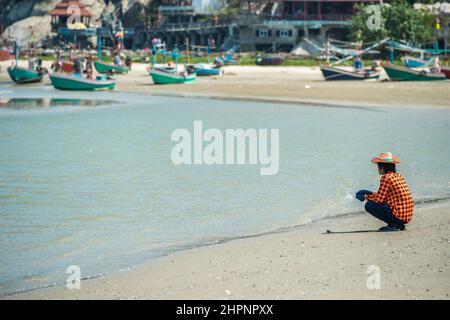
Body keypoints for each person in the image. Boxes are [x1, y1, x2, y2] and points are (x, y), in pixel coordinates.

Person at [356, 152, 414, 232]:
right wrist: (371, 194)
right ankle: (398, 224)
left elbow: (379, 199)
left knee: (369, 205)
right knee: (374, 199)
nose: (378, 169)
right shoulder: (398, 176)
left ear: (382, 167)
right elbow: (385, 196)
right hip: (406, 216)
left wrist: (365, 197)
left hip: (399, 216)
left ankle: (393, 224)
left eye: (378, 167)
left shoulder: (386, 178)